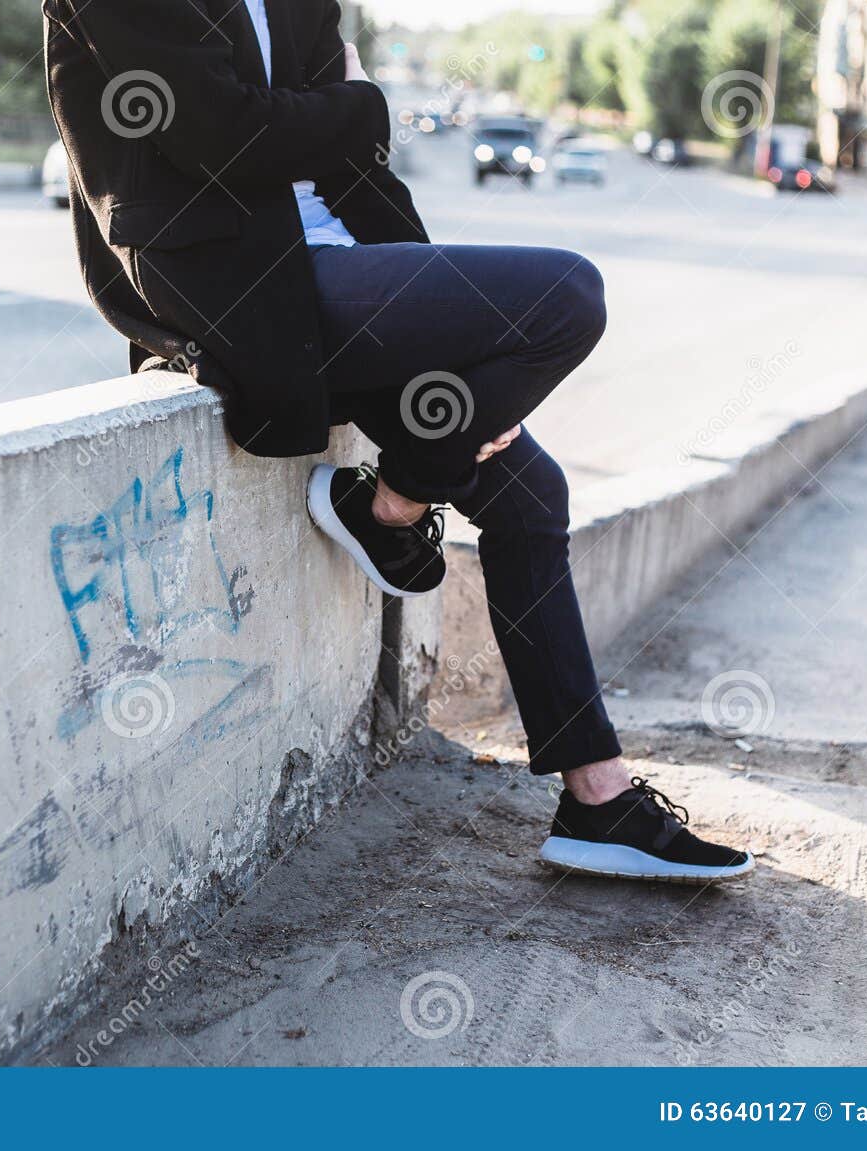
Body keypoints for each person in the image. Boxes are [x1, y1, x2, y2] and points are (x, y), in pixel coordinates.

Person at [44, 0, 752, 882]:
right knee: (568, 296)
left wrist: (469, 356)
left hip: (346, 282)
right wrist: (364, 100)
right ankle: (391, 505)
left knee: (532, 492)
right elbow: (220, 138)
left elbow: (357, 171)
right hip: (244, 293)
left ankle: (596, 797)